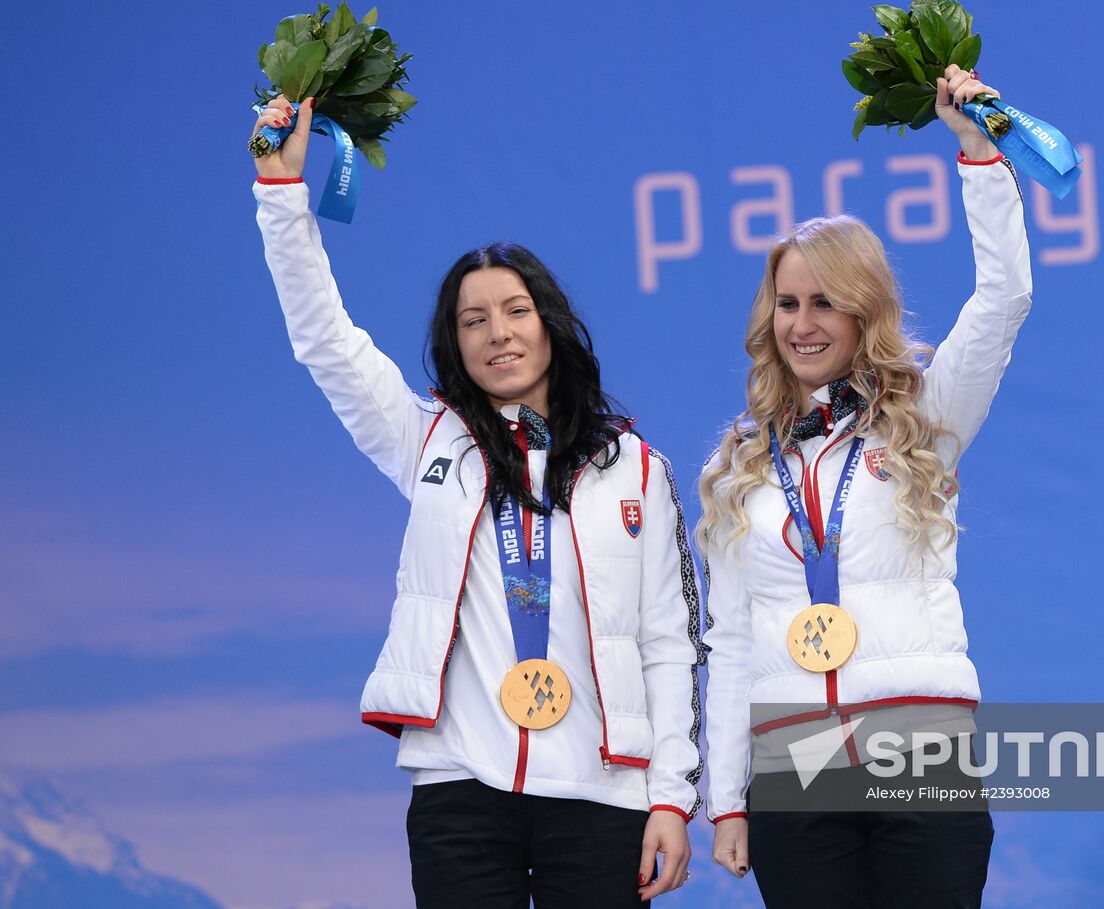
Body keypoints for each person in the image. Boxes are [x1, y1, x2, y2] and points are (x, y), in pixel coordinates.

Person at [250, 96, 701, 908]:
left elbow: (671, 644)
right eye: (473, 320)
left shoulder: (636, 467)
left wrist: (671, 797)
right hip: (461, 785)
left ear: (553, 325)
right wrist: (281, 196)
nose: (499, 333)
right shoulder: (426, 440)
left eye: (516, 311)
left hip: (603, 793)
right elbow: (325, 340)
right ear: (453, 343)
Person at [699, 64, 1032, 908]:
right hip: (795, 767)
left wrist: (979, 158)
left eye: (825, 303)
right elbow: (731, 643)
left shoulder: (926, 414)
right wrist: (726, 796)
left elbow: (1005, 297)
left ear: (865, 311)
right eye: (787, 303)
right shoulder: (740, 464)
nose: (802, 323)